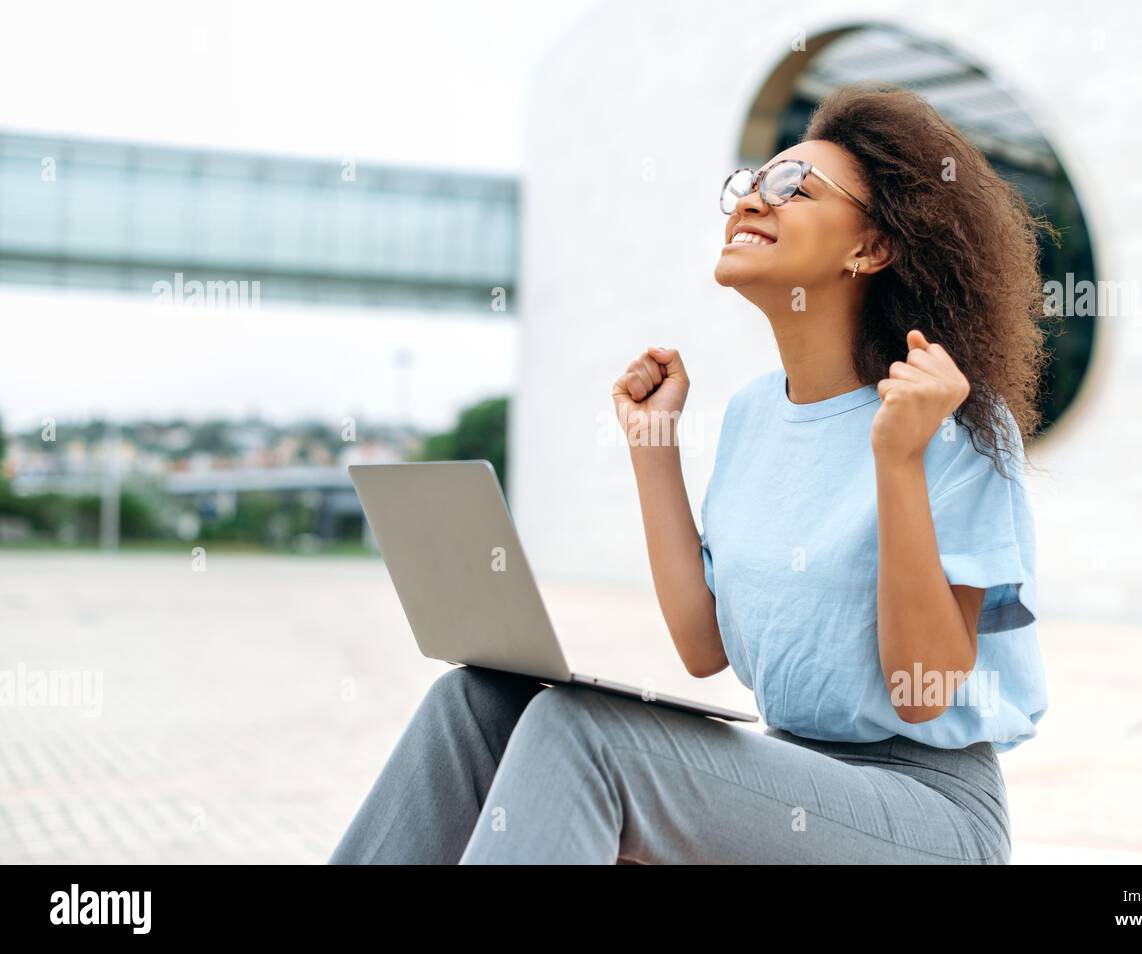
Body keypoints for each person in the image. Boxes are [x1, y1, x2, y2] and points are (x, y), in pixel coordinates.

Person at [329, 82, 1051, 865]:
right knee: (473, 705)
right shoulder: (749, 415)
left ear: (870, 248)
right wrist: (653, 447)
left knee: (586, 739)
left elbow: (922, 690)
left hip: (927, 815)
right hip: (790, 776)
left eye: (791, 186)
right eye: (747, 184)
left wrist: (898, 459)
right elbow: (705, 647)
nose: (751, 201)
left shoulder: (954, 422)